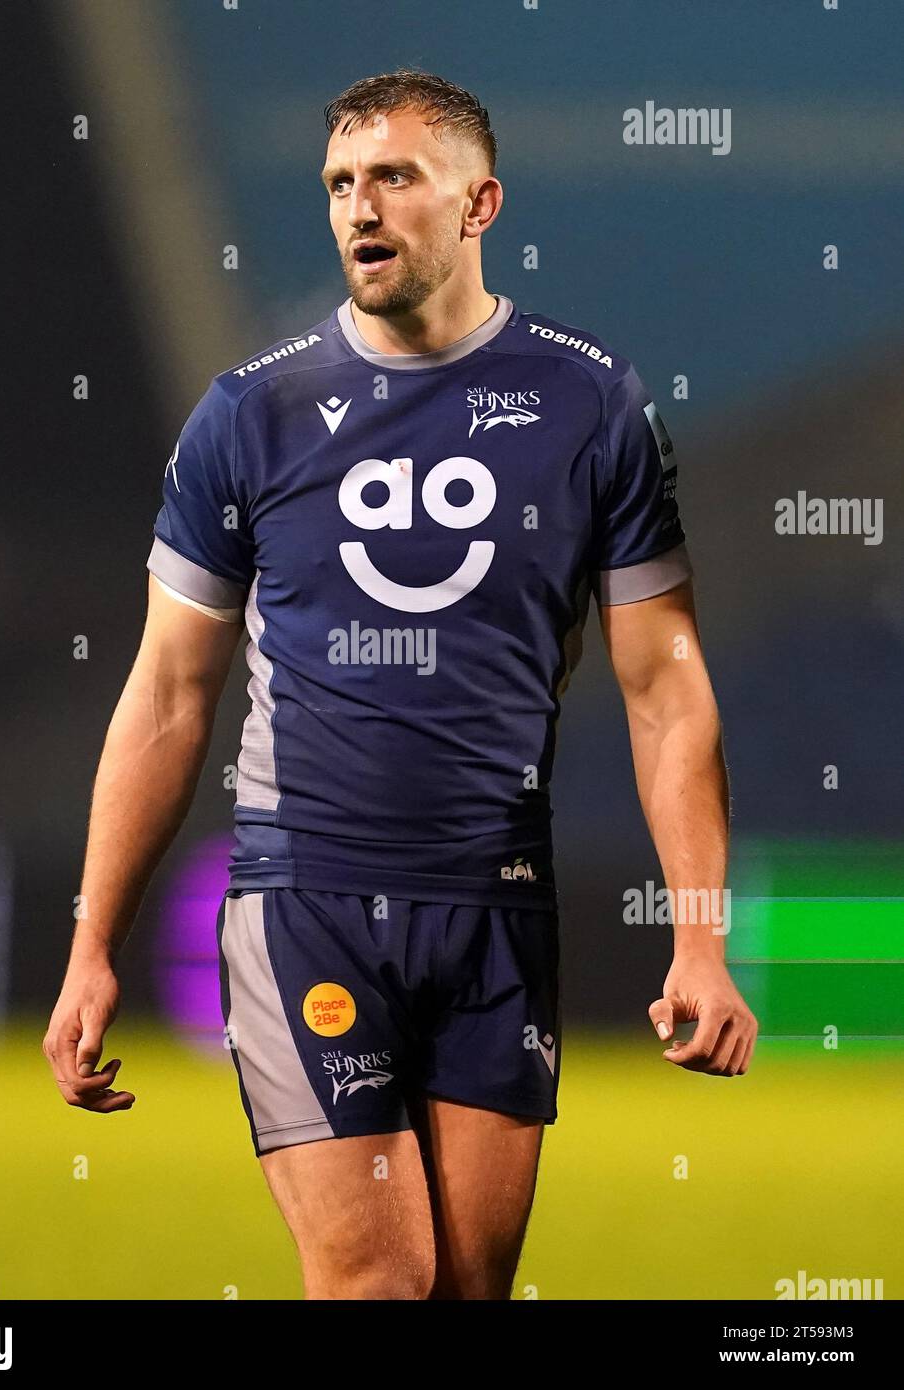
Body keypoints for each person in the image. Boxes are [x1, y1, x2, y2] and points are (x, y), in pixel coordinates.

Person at [43, 68, 757, 1301]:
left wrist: (699, 937)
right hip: (305, 894)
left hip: (494, 902)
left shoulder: (590, 403)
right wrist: (93, 940)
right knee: (376, 1280)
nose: (358, 208)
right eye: (337, 184)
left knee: (466, 1291)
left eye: (392, 178)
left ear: (478, 204)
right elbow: (166, 693)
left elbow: (665, 690)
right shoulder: (248, 415)